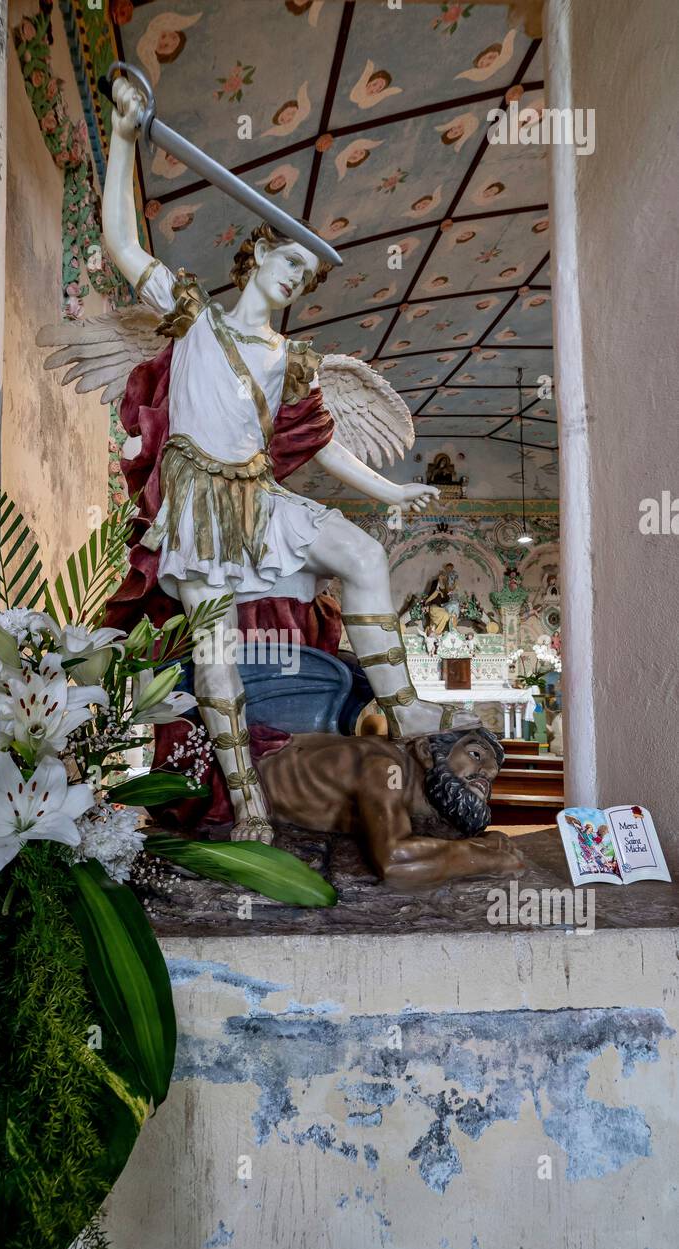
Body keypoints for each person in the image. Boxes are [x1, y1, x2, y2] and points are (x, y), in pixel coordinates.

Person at [101, 77, 478, 843]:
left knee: (363, 552)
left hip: (260, 498)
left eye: (307, 277)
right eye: (291, 264)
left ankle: (408, 719)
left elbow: (320, 438)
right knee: (215, 662)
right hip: (200, 504)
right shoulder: (193, 316)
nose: (297, 280)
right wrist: (120, 137)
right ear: (259, 252)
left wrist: (390, 488)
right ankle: (248, 809)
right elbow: (118, 241)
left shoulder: (288, 356)